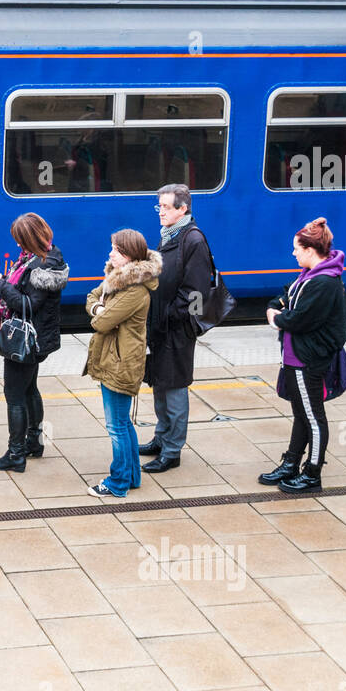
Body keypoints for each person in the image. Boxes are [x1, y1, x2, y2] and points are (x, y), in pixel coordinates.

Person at [260, 217, 346, 494]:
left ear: (310, 250)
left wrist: (276, 318)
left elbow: (298, 319)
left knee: (312, 416)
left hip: (307, 360)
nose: (293, 253)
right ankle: (290, 463)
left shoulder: (323, 283)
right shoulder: (309, 276)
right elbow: (286, 296)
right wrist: (276, 307)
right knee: (301, 413)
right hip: (296, 356)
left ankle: (312, 474)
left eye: (296, 248)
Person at [0, 212, 69, 472]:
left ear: (30, 239)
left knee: (14, 396)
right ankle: (34, 442)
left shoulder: (41, 267)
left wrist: (0, 285)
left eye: (20, 240)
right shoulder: (44, 256)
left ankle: (16, 454)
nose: (17, 245)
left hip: (26, 340)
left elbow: (27, 305)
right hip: (38, 338)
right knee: (30, 389)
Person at [141, 183, 214, 473]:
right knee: (160, 383)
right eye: (158, 206)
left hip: (177, 330)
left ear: (183, 209)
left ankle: (172, 451)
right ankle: (161, 438)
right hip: (161, 325)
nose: (160, 212)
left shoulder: (193, 240)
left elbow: (196, 295)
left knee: (174, 389)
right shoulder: (171, 236)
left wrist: (172, 317)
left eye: (166, 207)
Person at [84, 230, 161, 497]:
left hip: (121, 363)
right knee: (124, 423)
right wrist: (99, 307)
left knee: (116, 425)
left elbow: (102, 323)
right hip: (114, 359)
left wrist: (100, 312)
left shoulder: (135, 290)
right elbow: (91, 298)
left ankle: (117, 483)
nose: (110, 254)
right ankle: (132, 476)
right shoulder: (116, 279)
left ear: (128, 255)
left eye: (115, 250)